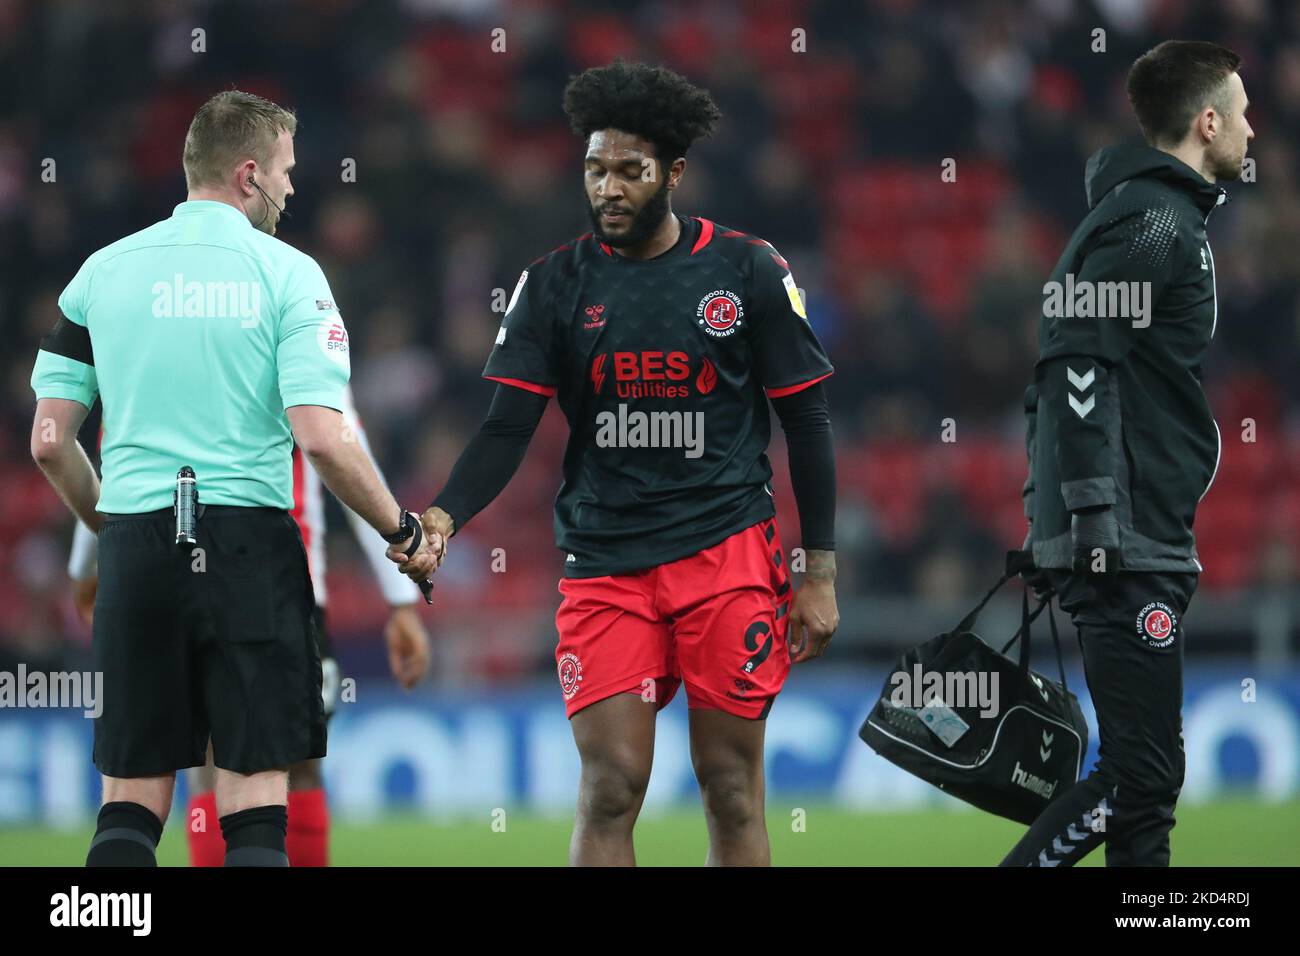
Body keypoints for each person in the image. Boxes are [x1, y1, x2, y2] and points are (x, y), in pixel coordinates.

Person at [422, 60, 839, 866]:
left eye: (629, 171)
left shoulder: (749, 270)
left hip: (727, 555)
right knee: (611, 785)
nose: (608, 188)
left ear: (673, 173)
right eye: (594, 169)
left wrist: (817, 566)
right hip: (607, 562)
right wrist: (444, 516)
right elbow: (506, 429)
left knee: (728, 786)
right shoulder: (550, 285)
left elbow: (807, 418)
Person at [29, 89, 442, 868]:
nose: (292, 188)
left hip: (138, 544)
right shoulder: (289, 274)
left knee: (130, 799)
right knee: (253, 798)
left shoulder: (100, 274)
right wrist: (404, 531)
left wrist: (108, 527)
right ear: (248, 174)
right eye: (286, 172)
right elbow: (323, 437)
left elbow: (51, 443)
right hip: (250, 545)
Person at [1010, 41, 1253, 867]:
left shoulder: (1149, 213)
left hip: (1132, 525)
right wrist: (1091, 514)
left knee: (1147, 787)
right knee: (1140, 774)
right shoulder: (1155, 220)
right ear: (1208, 120)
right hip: (1125, 535)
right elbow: (1077, 356)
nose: (1254, 131)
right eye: (1244, 113)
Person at [67, 386, 431, 867]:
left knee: (208, 770)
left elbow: (117, 463)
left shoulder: (150, 342)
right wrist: (401, 599)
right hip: (278, 585)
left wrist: (86, 564)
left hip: (162, 571)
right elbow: (345, 447)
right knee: (285, 768)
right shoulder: (285, 326)